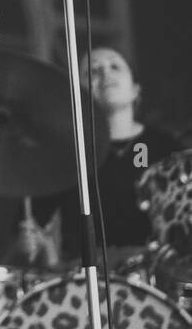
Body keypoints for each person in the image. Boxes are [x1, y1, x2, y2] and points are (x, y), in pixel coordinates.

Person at [17, 46, 182, 268]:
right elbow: (30, 223)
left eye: (115, 66)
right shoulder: (68, 153)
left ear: (135, 89)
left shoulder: (166, 146)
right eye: (92, 72)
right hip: (87, 280)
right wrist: (33, 241)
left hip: (158, 276)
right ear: (80, 94)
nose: (105, 74)